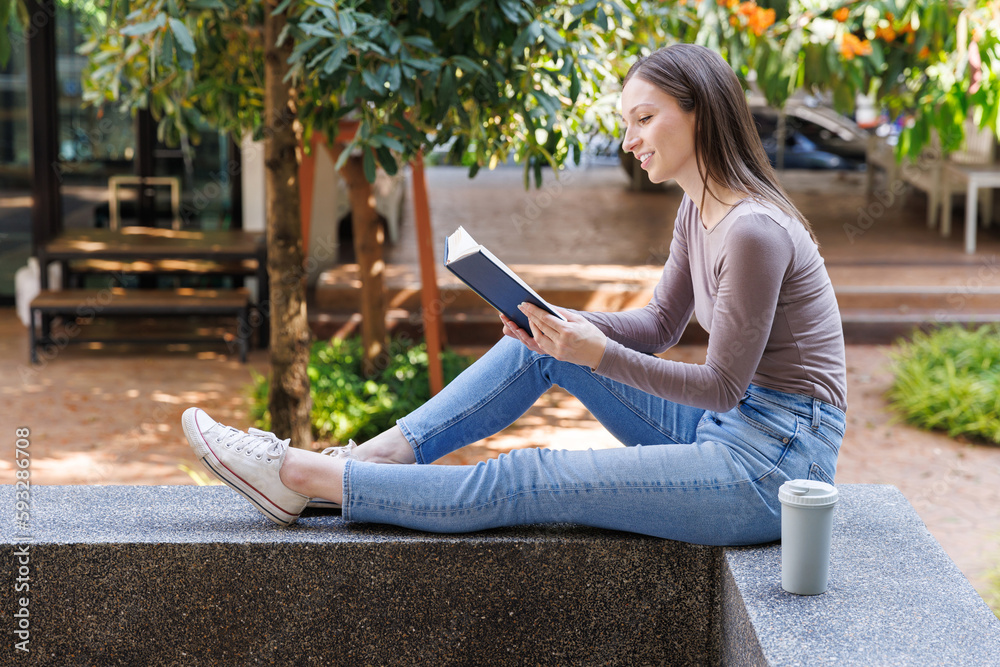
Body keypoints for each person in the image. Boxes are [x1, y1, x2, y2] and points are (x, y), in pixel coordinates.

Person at [182, 44, 847, 546]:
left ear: (701, 112)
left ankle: (302, 475)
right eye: (625, 122)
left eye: (644, 118)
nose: (629, 141)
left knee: (536, 474)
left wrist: (595, 354)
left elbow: (721, 386)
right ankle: (371, 456)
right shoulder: (697, 208)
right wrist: (558, 324)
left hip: (774, 464)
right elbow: (658, 324)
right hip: (728, 428)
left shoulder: (754, 230)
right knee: (540, 345)